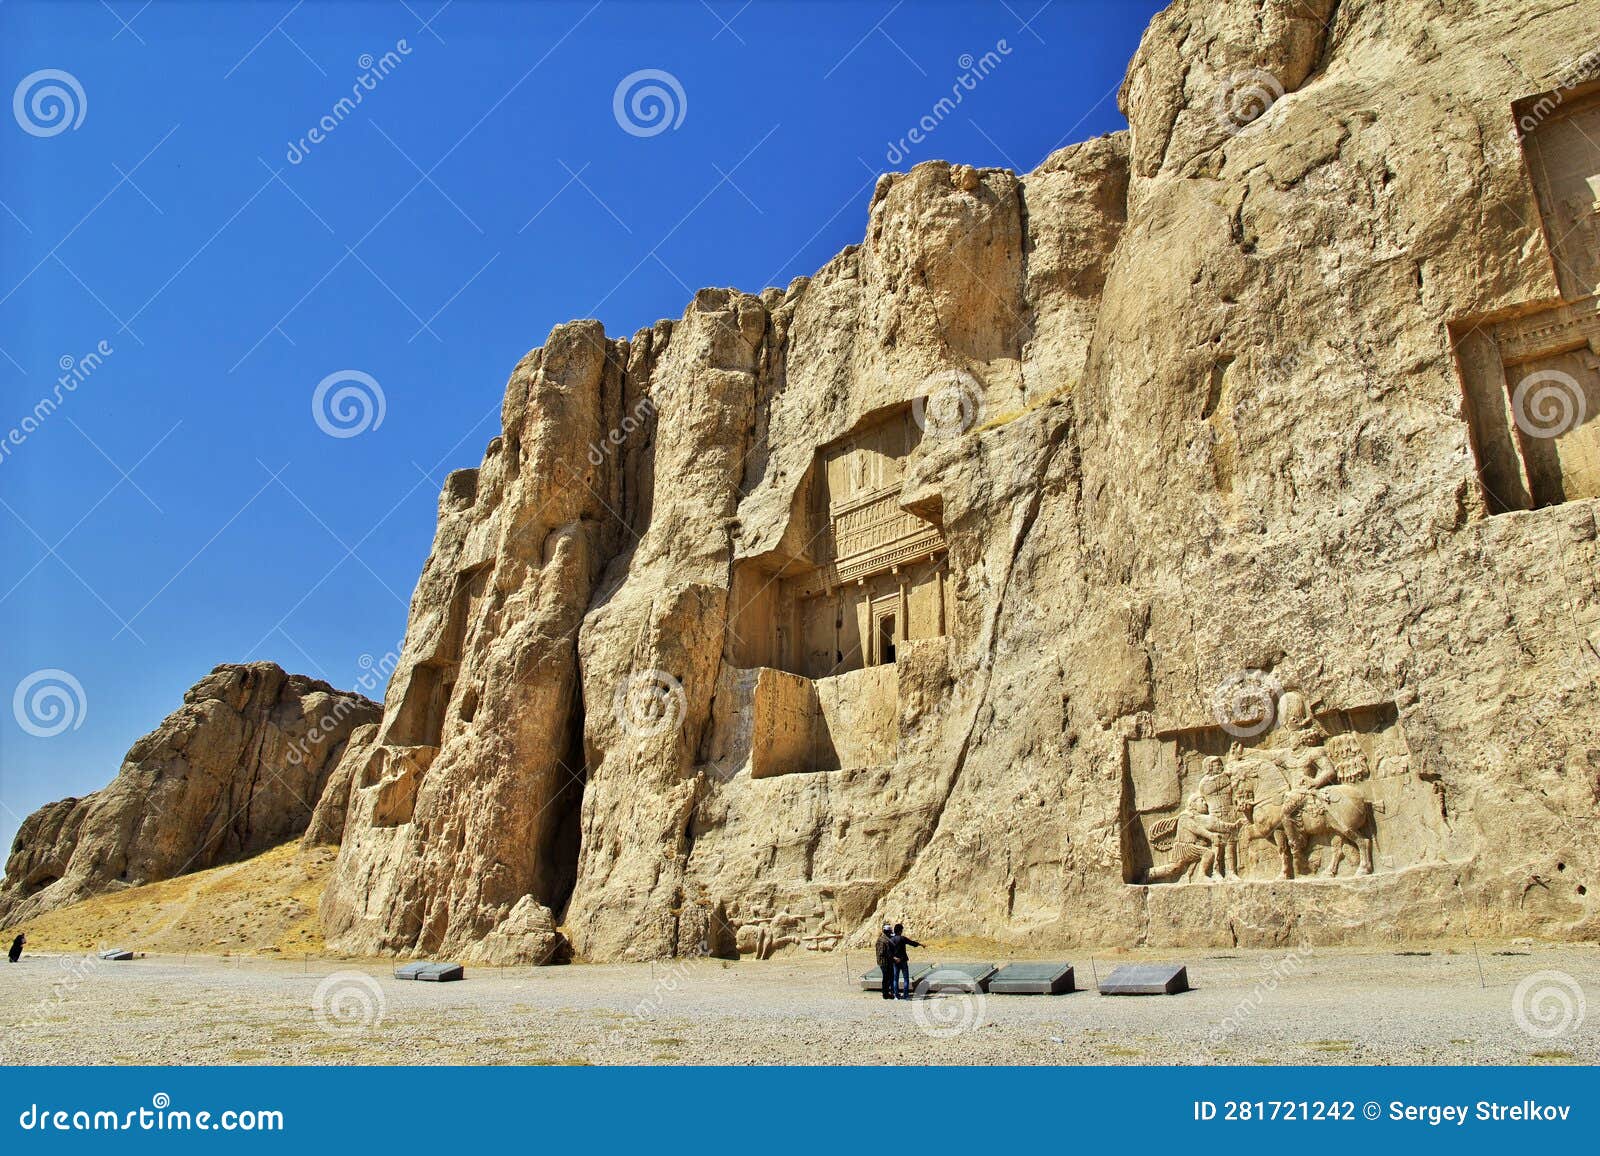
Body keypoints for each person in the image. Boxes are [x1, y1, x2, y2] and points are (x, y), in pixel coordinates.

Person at [891, 923, 923, 999]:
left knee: (895, 979)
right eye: (901, 930)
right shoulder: (902, 938)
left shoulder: (891, 940)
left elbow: (889, 951)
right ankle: (905, 995)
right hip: (903, 960)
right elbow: (911, 943)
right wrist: (920, 944)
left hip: (895, 961)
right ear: (900, 931)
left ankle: (896, 995)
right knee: (906, 978)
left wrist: (894, 958)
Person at [874, 922, 896, 1000]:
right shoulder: (882, 940)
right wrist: (893, 958)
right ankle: (885, 994)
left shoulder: (886, 939)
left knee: (889, 978)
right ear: (887, 932)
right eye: (890, 931)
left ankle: (887, 993)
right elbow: (882, 953)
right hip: (884, 962)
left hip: (887, 962)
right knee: (886, 978)